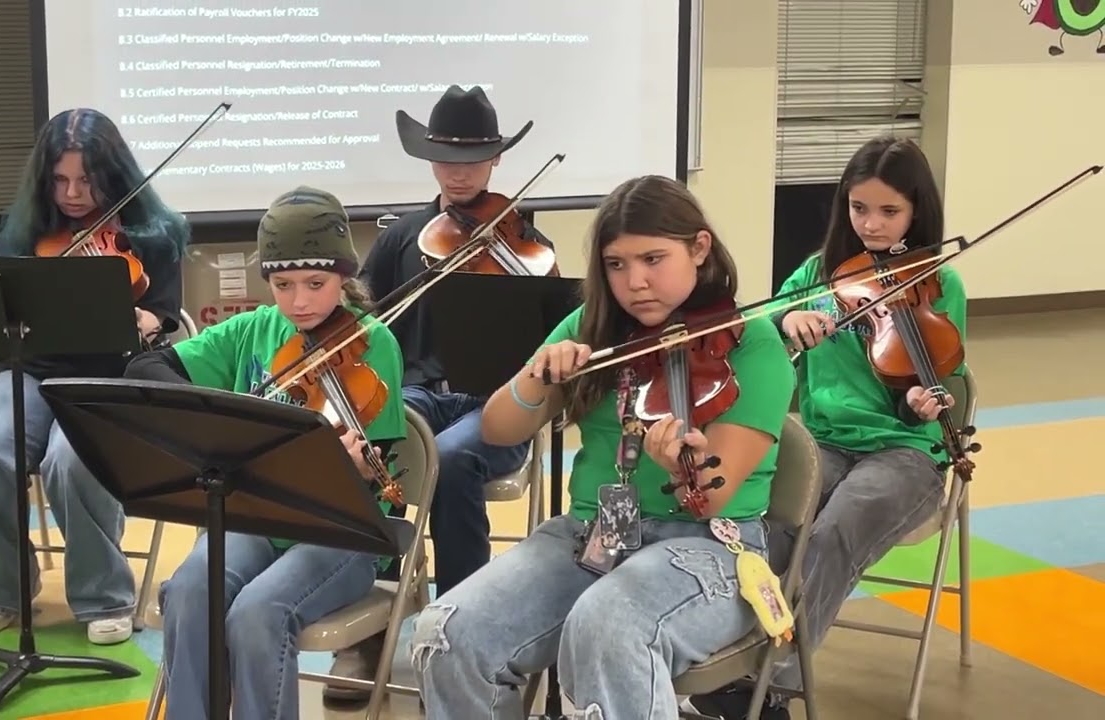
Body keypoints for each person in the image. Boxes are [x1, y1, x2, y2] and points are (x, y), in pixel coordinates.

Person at [411, 174, 797, 718]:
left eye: (653, 259)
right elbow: (499, 430)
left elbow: (711, 495)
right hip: (590, 537)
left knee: (608, 623)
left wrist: (679, 462)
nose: (635, 282)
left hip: (708, 547)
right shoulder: (592, 327)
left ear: (700, 248)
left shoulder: (754, 345)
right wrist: (536, 379)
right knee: (445, 633)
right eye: (617, 265)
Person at [685, 136, 963, 719]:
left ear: (917, 211)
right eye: (860, 208)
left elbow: (938, 372)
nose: (872, 224)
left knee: (836, 528)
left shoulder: (939, 282)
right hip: (823, 443)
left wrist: (917, 397)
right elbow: (753, 330)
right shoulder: (818, 274)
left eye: (890, 211)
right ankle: (726, 654)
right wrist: (789, 317)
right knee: (767, 524)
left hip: (904, 453)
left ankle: (770, 683)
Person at [123, 186, 407, 719]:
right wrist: (209, 415)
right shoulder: (253, 330)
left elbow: (375, 463)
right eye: (282, 285)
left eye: (316, 284)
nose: (299, 301)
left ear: (344, 276)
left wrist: (351, 468)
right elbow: (147, 370)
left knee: (258, 613)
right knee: (188, 591)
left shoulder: (375, 345)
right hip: (257, 513)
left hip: (339, 530)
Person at [325, 83, 557, 700]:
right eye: (447, 160)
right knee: (365, 442)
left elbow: (552, 337)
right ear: (429, 161)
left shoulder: (526, 243)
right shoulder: (403, 237)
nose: (460, 174)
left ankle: (458, 631)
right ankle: (369, 626)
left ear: (498, 161)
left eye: (474, 160)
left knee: (451, 461)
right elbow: (361, 320)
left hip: (497, 404)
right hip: (424, 394)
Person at [0, 108, 189, 645]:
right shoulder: (23, 232)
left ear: (115, 175)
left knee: (73, 459)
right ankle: (1, 584)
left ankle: (104, 593)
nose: (73, 194)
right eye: (60, 180)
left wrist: (147, 317)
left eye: (87, 179)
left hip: (114, 374)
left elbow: (166, 312)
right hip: (32, 370)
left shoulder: (155, 234)